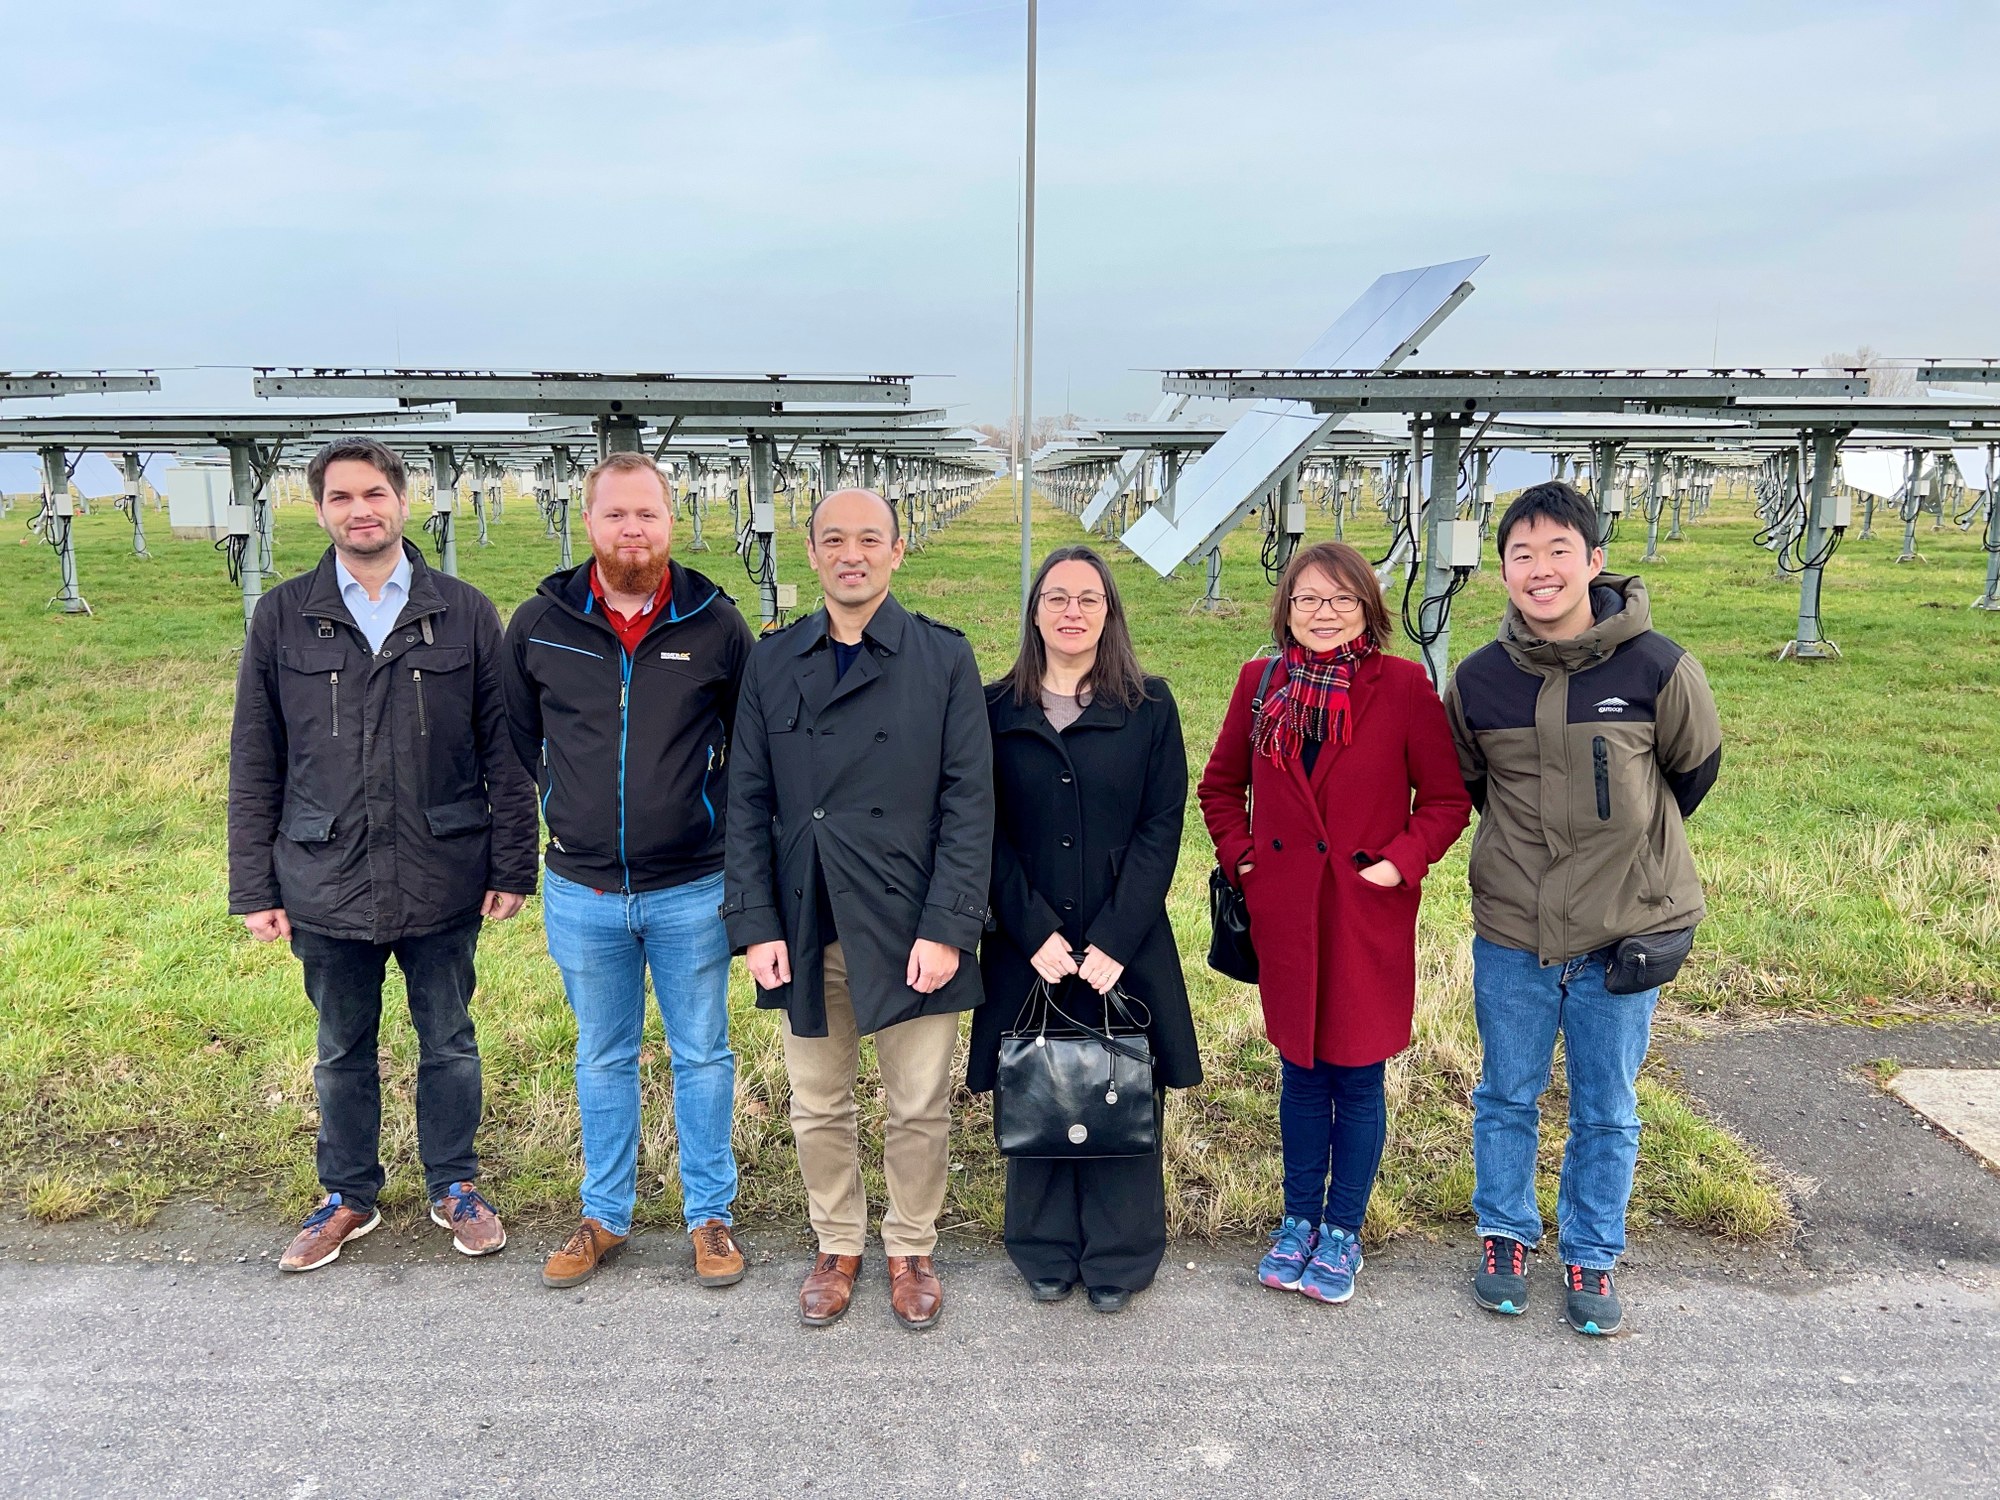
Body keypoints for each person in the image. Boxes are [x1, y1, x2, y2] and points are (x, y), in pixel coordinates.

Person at [228, 436, 537, 1272]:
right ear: (320, 509)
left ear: (403, 502)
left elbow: (504, 750)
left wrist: (514, 864)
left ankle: (455, 1185)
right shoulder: (284, 614)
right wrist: (253, 882)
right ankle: (347, 1196)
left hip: (442, 869)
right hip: (323, 871)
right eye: (341, 498)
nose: (360, 510)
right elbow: (256, 755)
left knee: (450, 1040)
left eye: (374, 494)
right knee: (340, 1048)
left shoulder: (465, 611)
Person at [1444, 481, 1720, 1337]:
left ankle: (1593, 1248)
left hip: (1622, 933)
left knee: (1608, 1104)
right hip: (1514, 932)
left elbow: (1693, 771)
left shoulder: (1658, 667)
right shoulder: (1480, 680)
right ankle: (1505, 1233)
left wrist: (1627, 861)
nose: (1541, 569)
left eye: (1558, 551)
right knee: (1506, 1094)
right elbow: (1473, 786)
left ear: (1593, 562)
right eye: (1521, 555)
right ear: (1502, 574)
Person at [722, 488, 994, 1331]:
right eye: (834, 540)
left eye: (869, 540)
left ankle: (911, 1244)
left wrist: (950, 926)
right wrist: (756, 921)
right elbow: (747, 798)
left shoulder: (943, 659)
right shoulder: (772, 661)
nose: (852, 554)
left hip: (910, 920)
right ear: (811, 553)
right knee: (817, 1101)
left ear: (897, 551)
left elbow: (969, 802)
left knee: (916, 1103)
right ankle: (837, 1241)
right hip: (808, 917)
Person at [502, 451, 755, 1291]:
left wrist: (707, 812)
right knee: (602, 1056)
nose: (633, 530)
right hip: (583, 890)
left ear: (671, 521)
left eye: (647, 514)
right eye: (616, 515)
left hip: (692, 886)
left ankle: (709, 1218)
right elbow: (514, 738)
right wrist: (555, 803)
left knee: (703, 1054)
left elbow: (750, 748)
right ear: (590, 522)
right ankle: (604, 1216)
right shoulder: (539, 622)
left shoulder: (716, 622)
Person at [1198, 541, 1470, 1305]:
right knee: (1299, 1073)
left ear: (1367, 610)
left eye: (1340, 600)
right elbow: (1219, 787)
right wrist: (1244, 859)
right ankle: (1296, 1221)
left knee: (1357, 1074)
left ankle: (1341, 1231)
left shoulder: (1405, 686)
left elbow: (1446, 801)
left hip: (1363, 912)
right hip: (1287, 913)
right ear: (1285, 608)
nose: (1323, 614)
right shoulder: (1261, 684)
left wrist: (1399, 862)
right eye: (1307, 599)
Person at [968, 546, 1202, 1314]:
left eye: (1089, 599)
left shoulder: (1151, 707)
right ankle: (1041, 1248)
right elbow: (981, 827)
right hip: (1023, 942)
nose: (1073, 611)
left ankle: (1121, 1253)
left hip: (1120, 943)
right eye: (1058, 597)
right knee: (1037, 1084)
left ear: (1110, 613)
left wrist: (1115, 938)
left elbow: (1161, 826)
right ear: (1035, 611)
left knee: (1119, 1085)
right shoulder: (994, 710)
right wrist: (1028, 927)